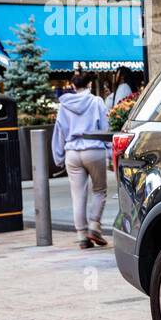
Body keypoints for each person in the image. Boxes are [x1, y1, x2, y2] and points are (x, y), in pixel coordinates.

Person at [52, 70, 110, 249]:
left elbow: (59, 131)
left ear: (73, 86)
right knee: (100, 190)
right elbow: (105, 127)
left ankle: (82, 236)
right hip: (93, 150)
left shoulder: (64, 105)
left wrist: (59, 157)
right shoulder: (96, 101)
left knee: (78, 195)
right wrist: (110, 151)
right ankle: (94, 226)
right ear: (90, 85)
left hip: (72, 152)